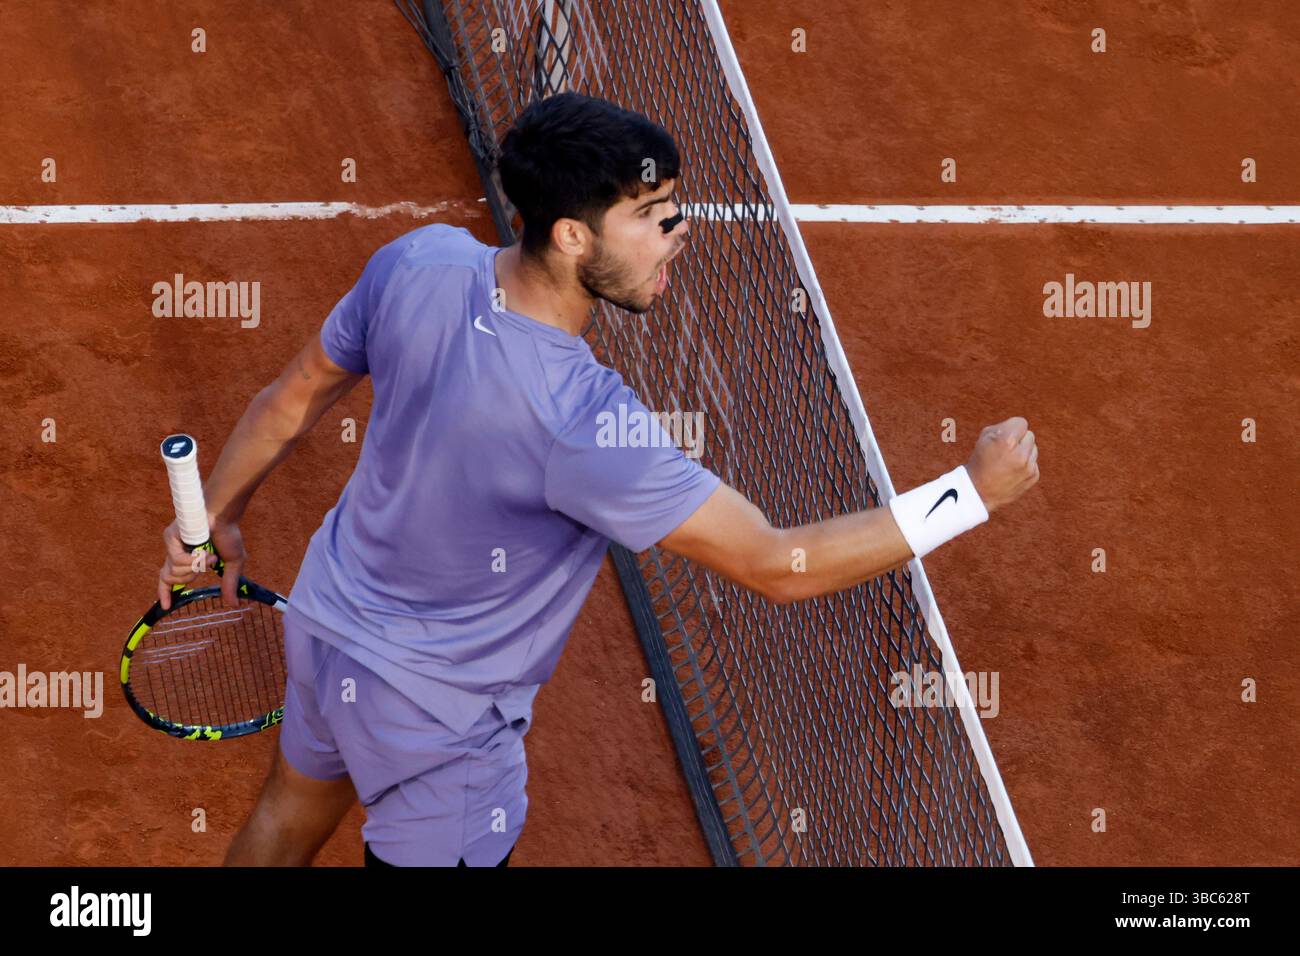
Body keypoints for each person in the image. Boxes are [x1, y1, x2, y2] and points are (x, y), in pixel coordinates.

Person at [157, 92, 1039, 867]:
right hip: (441, 726)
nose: (679, 232)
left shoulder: (420, 261)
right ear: (572, 234)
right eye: (652, 213)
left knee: (283, 821)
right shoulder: (587, 424)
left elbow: (294, 395)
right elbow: (777, 564)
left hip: (326, 627)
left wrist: (218, 521)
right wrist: (970, 491)